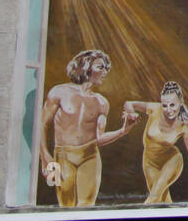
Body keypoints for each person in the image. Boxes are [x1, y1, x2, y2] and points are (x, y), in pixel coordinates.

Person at [39, 49, 136, 207]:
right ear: (86, 67)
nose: (105, 72)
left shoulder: (102, 103)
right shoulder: (59, 92)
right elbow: (42, 124)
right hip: (63, 157)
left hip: (90, 157)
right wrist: (45, 157)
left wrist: (123, 130)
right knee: (66, 206)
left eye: (106, 68)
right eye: (100, 67)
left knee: (87, 207)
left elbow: (99, 139)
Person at [123, 81, 188, 204]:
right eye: (165, 105)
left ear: (181, 103)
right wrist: (131, 114)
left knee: (153, 198)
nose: (168, 110)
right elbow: (129, 104)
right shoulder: (154, 109)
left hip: (172, 160)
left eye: (172, 105)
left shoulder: (185, 124)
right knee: (162, 202)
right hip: (149, 162)